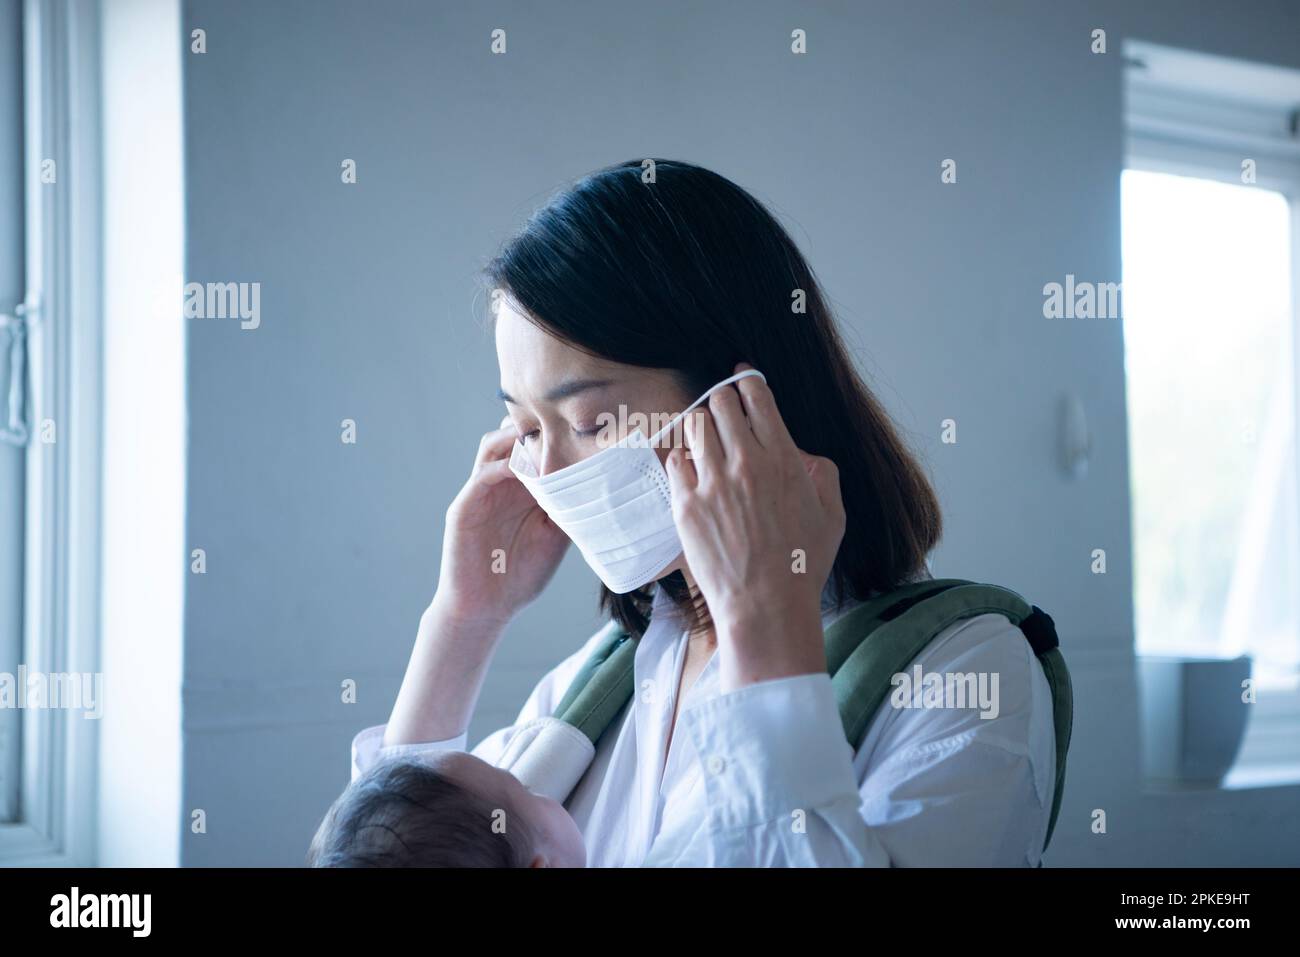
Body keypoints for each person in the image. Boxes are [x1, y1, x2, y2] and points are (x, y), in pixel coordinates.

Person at [350, 158, 1056, 866]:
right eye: (529, 430)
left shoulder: (969, 675)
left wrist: (761, 624)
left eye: (593, 421)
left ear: (749, 402)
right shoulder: (585, 694)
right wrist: (462, 620)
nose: (553, 475)